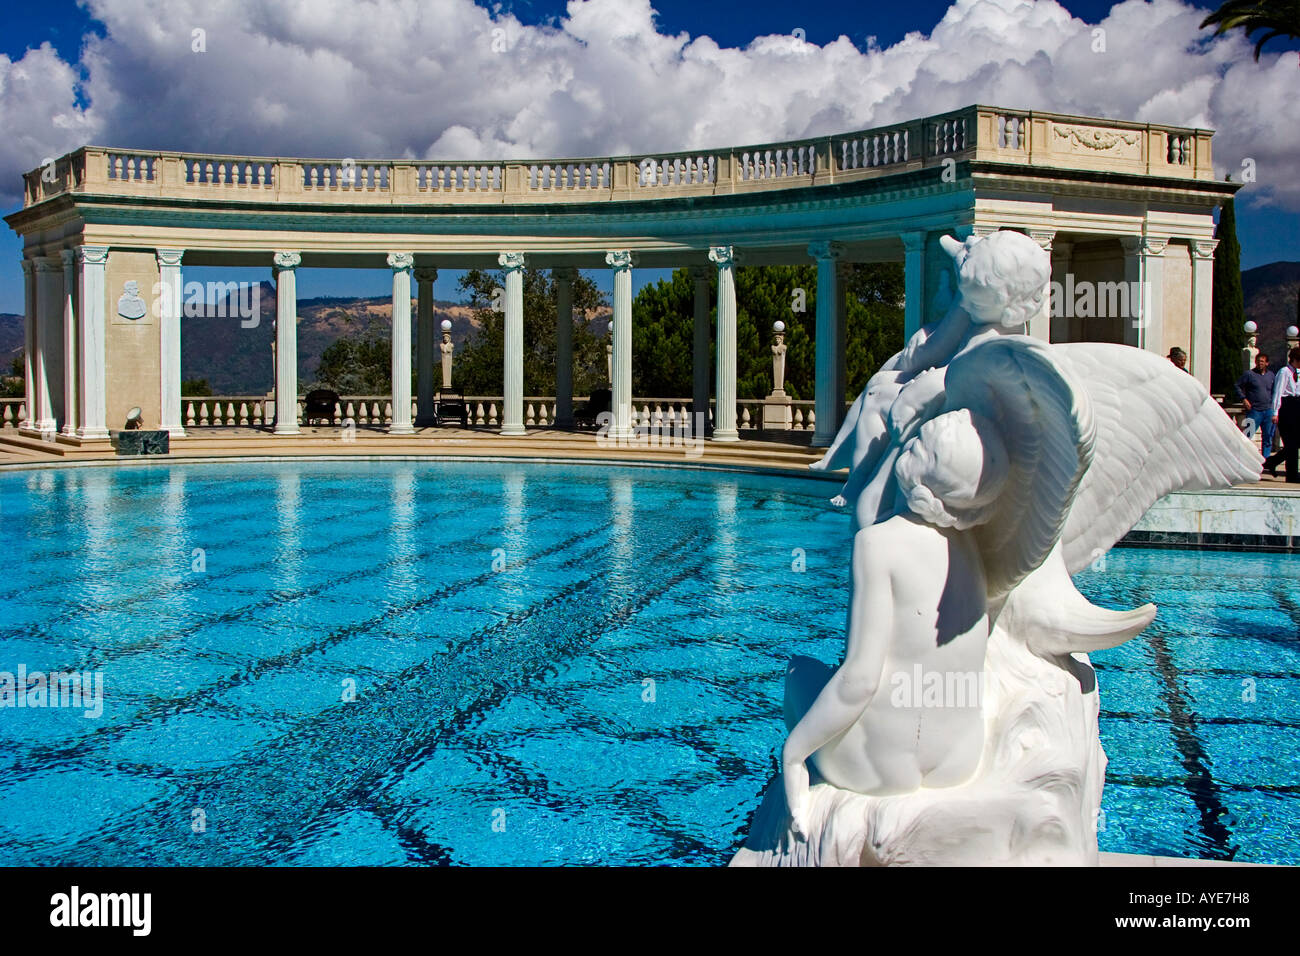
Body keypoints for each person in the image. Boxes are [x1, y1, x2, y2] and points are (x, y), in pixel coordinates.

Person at [1265, 346, 1300, 482]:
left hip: (1297, 406)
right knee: (1291, 444)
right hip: (1287, 407)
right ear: (1295, 360)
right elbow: (1278, 393)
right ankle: (1291, 475)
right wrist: (1275, 412)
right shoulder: (1284, 372)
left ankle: (1271, 462)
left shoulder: (1298, 372)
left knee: (1295, 443)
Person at [1237, 352, 1276, 459]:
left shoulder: (1271, 375)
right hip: (1254, 411)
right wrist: (1243, 399)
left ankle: (1266, 460)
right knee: (1248, 435)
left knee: (1268, 437)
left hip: (1268, 410)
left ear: (1267, 363)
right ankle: (1242, 457)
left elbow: (1274, 391)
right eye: (1258, 361)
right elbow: (1237, 386)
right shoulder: (1249, 374)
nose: (1260, 363)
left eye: (1262, 361)